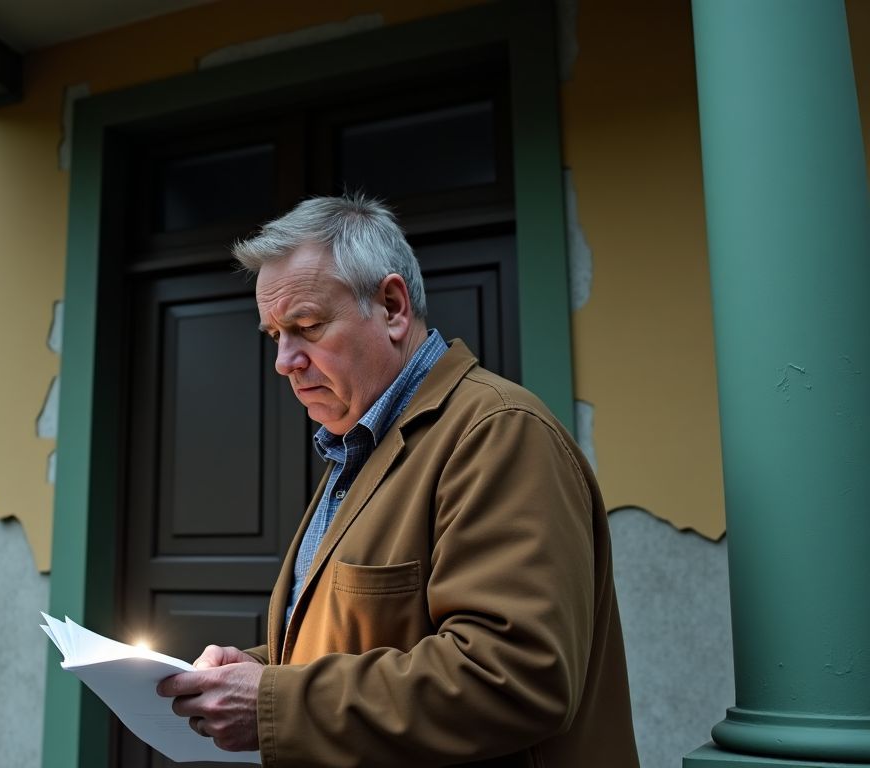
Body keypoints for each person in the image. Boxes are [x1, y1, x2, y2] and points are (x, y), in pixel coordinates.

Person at [156, 195, 638, 767]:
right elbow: (372, 643)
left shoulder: (500, 431)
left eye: (306, 326)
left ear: (392, 306)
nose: (285, 360)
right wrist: (256, 670)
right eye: (274, 336)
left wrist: (272, 701)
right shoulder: (359, 443)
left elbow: (513, 676)